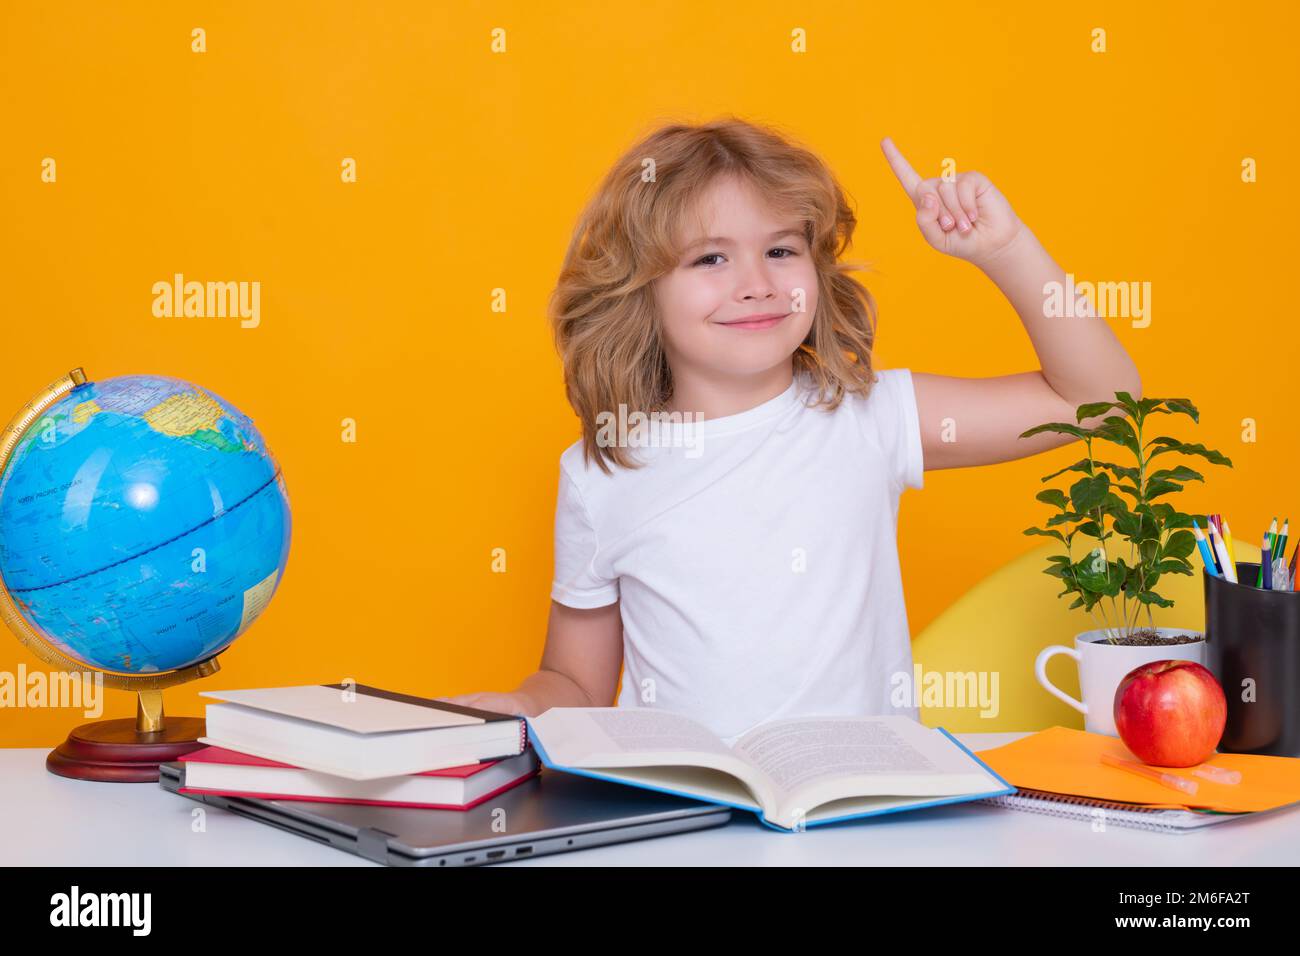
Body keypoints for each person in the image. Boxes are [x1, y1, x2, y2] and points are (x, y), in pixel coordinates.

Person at [441, 117, 1140, 745]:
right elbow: (576, 685)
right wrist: (515, 708)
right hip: (691, 821)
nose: (756, 284)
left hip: (864, 813)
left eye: (780, 251)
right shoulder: (601, 474)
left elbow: (1104, 403)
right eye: (709, 258)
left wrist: (1006, 248)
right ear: (640, 290)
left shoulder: (871, 416)